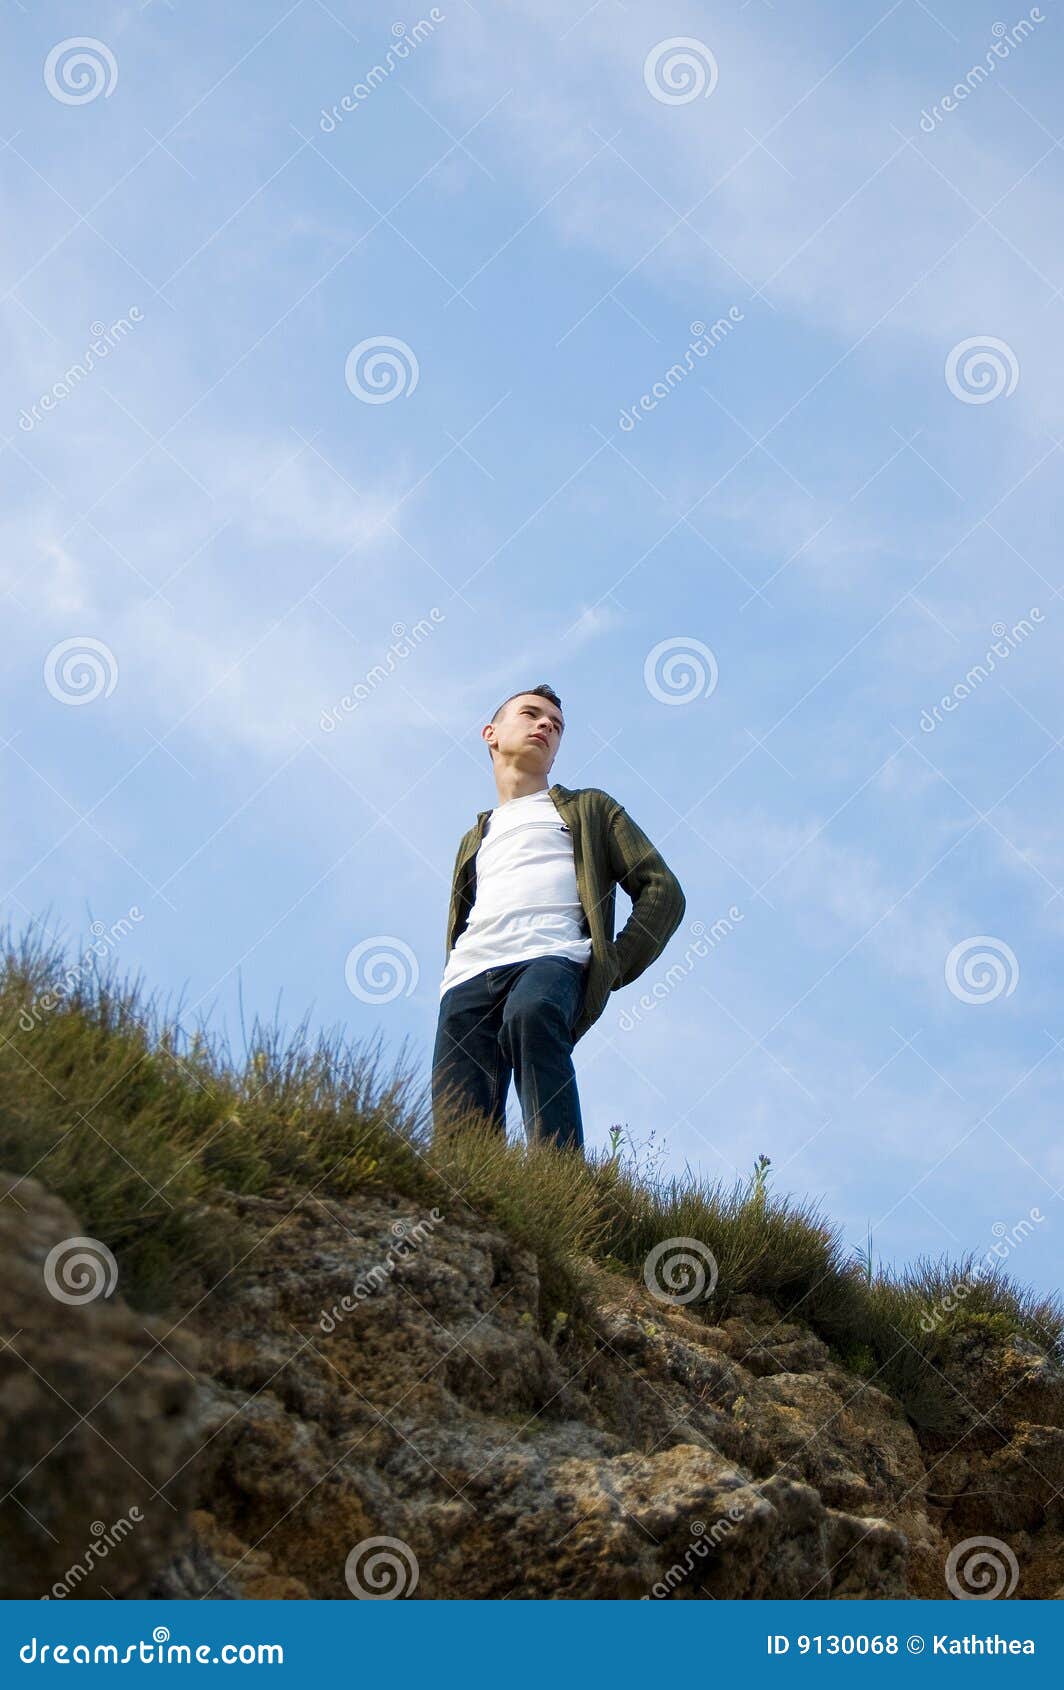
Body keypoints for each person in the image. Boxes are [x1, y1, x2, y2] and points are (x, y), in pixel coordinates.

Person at [430, 683, 686, 1154]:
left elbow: (662, 890)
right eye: (531, 715)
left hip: (553, 959)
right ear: (491, 733)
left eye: (556, 725)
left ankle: (561, 1182)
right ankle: (468, 1209)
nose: (546, 725)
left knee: (531, 1015)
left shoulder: (588, 808)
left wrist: (609, 964)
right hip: (468, 974)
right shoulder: (475, 838)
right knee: (458, 1133)